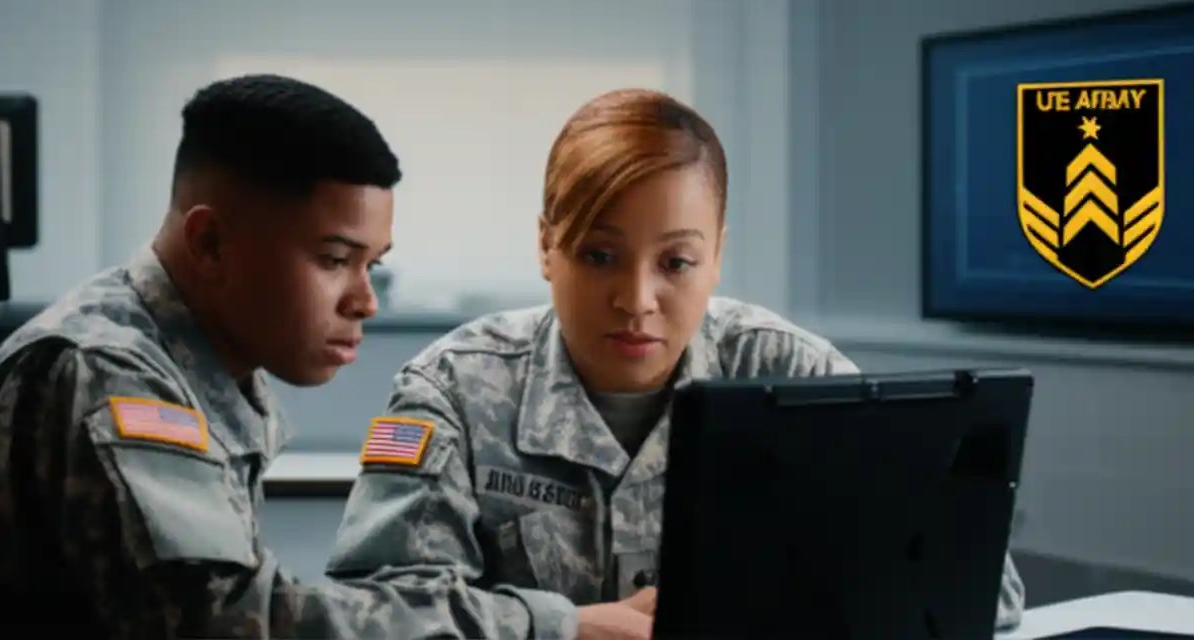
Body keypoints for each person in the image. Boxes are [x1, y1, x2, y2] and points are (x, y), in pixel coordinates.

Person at [0, 74, 647, 639]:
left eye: (375, 265)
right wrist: (552, 626)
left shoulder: (190, 362)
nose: (366, 300)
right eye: (335, 259)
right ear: (211, 244)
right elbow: (232, 625)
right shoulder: (108, 373)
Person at [324, 88, 1027, 639]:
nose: (637, 300)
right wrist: (555, 630)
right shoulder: (453, 391)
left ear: (716, 255)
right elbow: (371, 616)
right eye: (599, 255)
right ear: (546, 247)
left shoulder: (791, 376)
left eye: (676, 262)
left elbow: (980, 596)